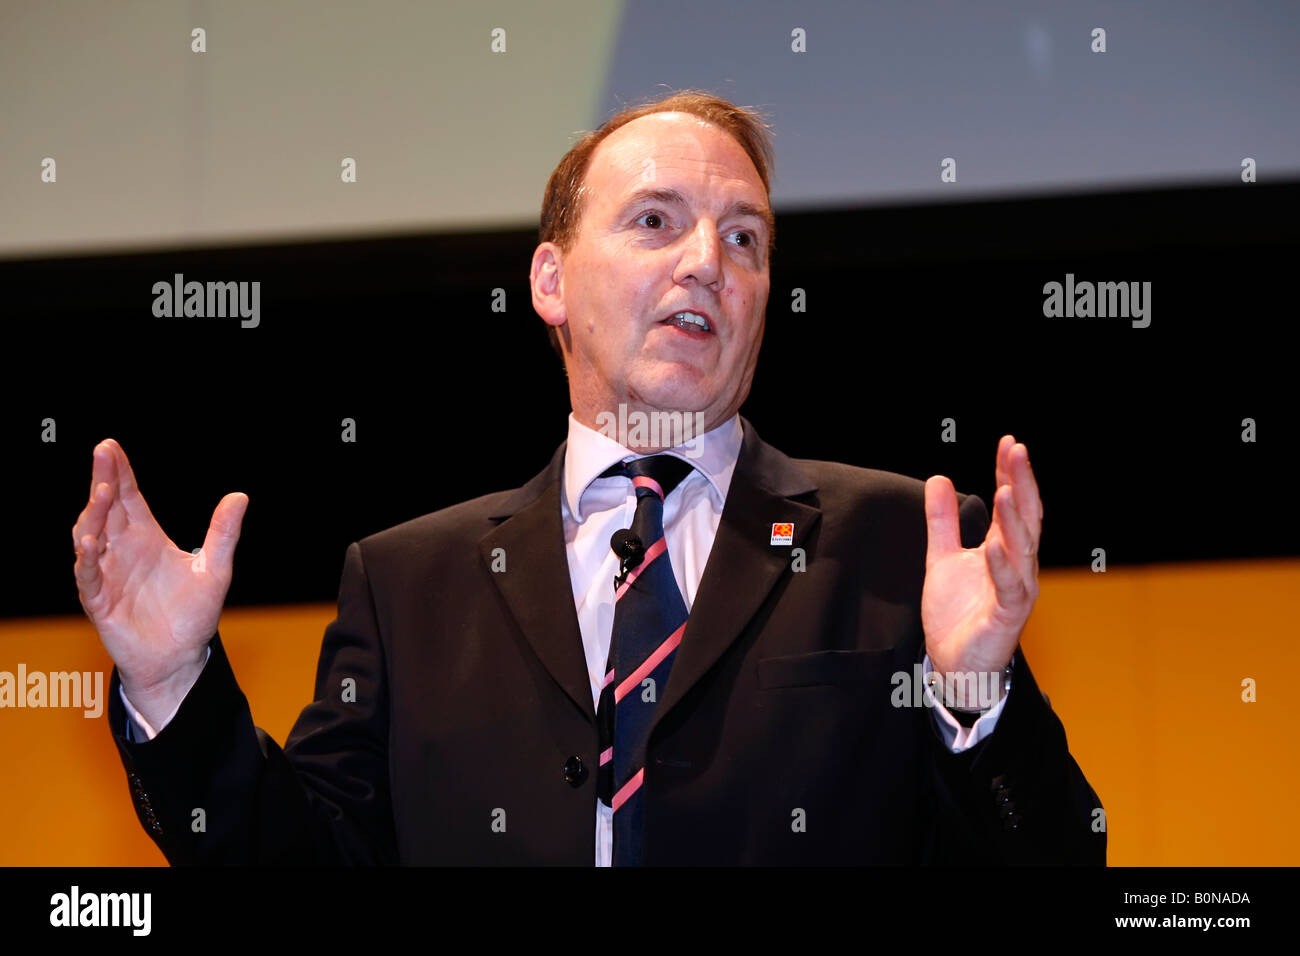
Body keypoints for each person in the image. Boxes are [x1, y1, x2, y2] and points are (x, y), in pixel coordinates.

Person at [71, 90, 1105, 865]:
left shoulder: (894, 545)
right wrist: (171, 683)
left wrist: (973, 694)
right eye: (655, 221)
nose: (706, 259)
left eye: (742, 237)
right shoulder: (407, 585)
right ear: (550, 280)